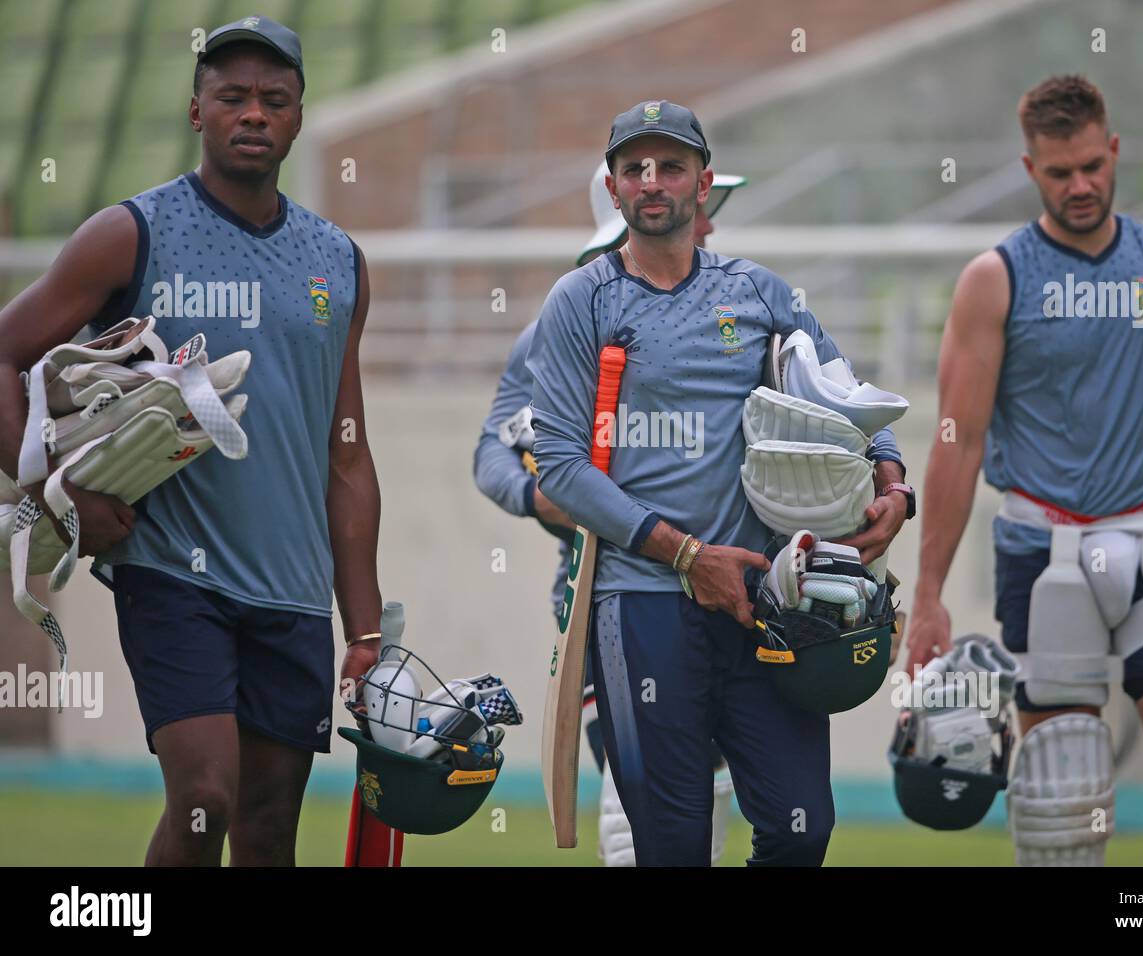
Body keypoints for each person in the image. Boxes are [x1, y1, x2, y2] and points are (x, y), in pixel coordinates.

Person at [0, 16, 384, 865]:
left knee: (270, 822)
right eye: (233, 97)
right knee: (206, 795)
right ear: (195, 111)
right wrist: (53, 493)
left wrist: (364, 631)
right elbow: (3, 350)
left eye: (274, 100)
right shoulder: (130, 233)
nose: (254, 113)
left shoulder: (339, 261)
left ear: (297, 118)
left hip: (291, 587)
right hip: (174, 573)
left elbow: (347, 453)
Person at [526, 100, 912, 866]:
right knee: (672, 845)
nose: (652, 181)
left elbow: (851, 398)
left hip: (769, 600)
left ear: (703, 184)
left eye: (671, 166)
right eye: (635, 168)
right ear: (613, 188)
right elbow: (563, 465)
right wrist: (686, 555)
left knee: (803, 830)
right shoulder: (581, 301)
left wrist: (895, 488)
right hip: (641, 604)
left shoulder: (762, 292)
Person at [907, 75, 1143, 865]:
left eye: (1091, 168)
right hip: (1044, 548)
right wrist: (927, 594)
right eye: (1059, 172)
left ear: (1113, 151)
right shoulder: (994, 279)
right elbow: (956, 440)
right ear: (1031, 169)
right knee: (1062, 811)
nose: (1080, 186)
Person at [473, 161, 746, 866]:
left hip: (717, 589)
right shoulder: (557, 326)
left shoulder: (725, 307)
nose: (710, 221)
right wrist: (545, 499)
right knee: (640, 809)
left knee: (705, 802)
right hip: (605, 595)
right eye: (706, 207)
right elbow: (493, 453)